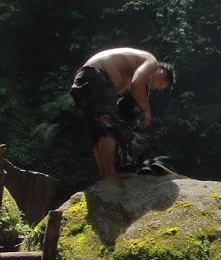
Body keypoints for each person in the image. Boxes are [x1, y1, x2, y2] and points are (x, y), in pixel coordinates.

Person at [70, 47, 174, 180]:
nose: (153, 86)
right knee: (107, 127)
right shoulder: (151, 62)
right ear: (162, 72)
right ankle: (109, 172)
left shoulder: (128, 73)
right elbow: (137, 83)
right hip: (96, 75)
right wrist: (146, 112)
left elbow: (115, 99)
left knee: (98, 131)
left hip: (84, 79)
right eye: (159, 84)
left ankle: (105, 173)